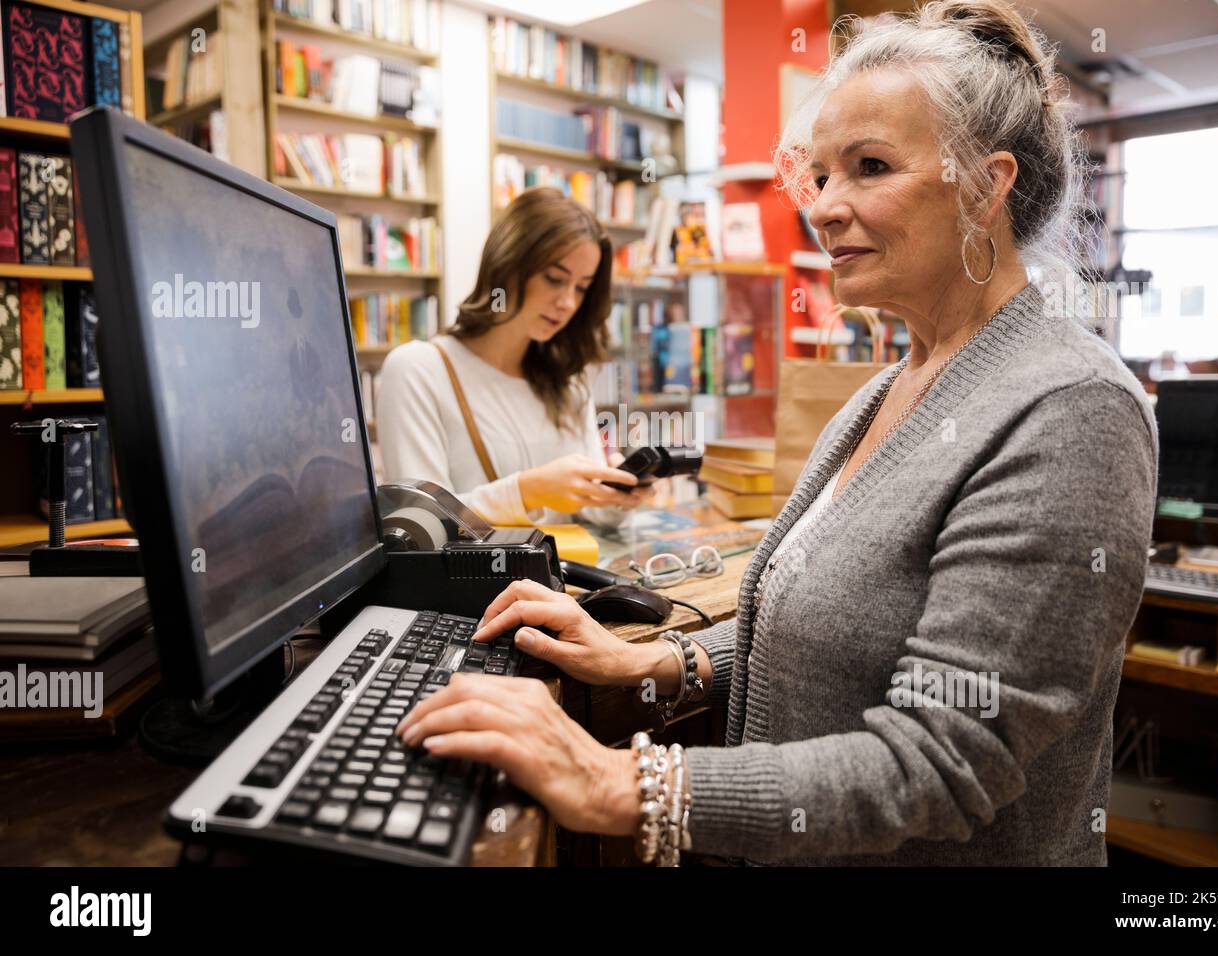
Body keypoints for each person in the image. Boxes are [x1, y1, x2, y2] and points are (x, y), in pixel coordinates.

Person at [395, 0, 1158, 865]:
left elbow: (938, 765)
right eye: (821, 174)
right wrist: (652, 663)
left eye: (869, 167)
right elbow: (800, 620)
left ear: (987, 186)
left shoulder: (1070, 408)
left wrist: (619, 784)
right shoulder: (881, 394)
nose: (825, 207)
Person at [377, 187, 652, 527]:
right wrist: (524, 492)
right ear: (506, 268)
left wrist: (618, 495)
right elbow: (419, 523)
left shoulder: (568, 379)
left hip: (564, 577)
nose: (567, 302)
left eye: (582, 287)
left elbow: (590, 511)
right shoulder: (418, 369)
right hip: (487, 581)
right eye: (554, 279)